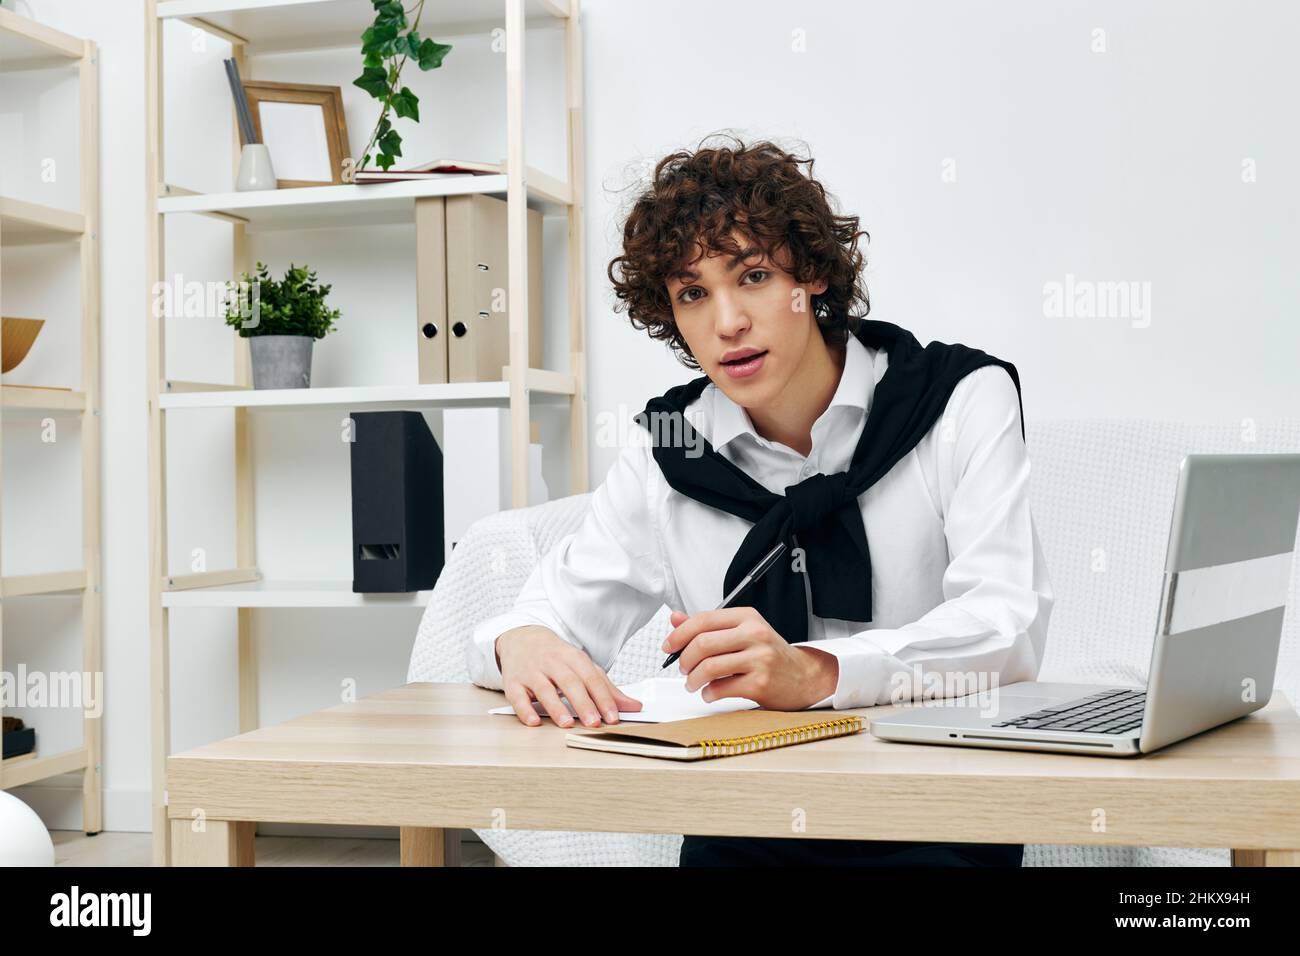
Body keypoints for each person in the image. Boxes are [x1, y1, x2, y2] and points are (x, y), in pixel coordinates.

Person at [466, 133, 1053, 867]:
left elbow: (1006, 627)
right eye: (692, 293)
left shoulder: (958, 401)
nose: (727, 323)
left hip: (938, 813)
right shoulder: (673, 448)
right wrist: (520, 639)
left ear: (810, 276)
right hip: (744, 822)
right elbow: (552, 613)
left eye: (753, 276)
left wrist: (816, 672)